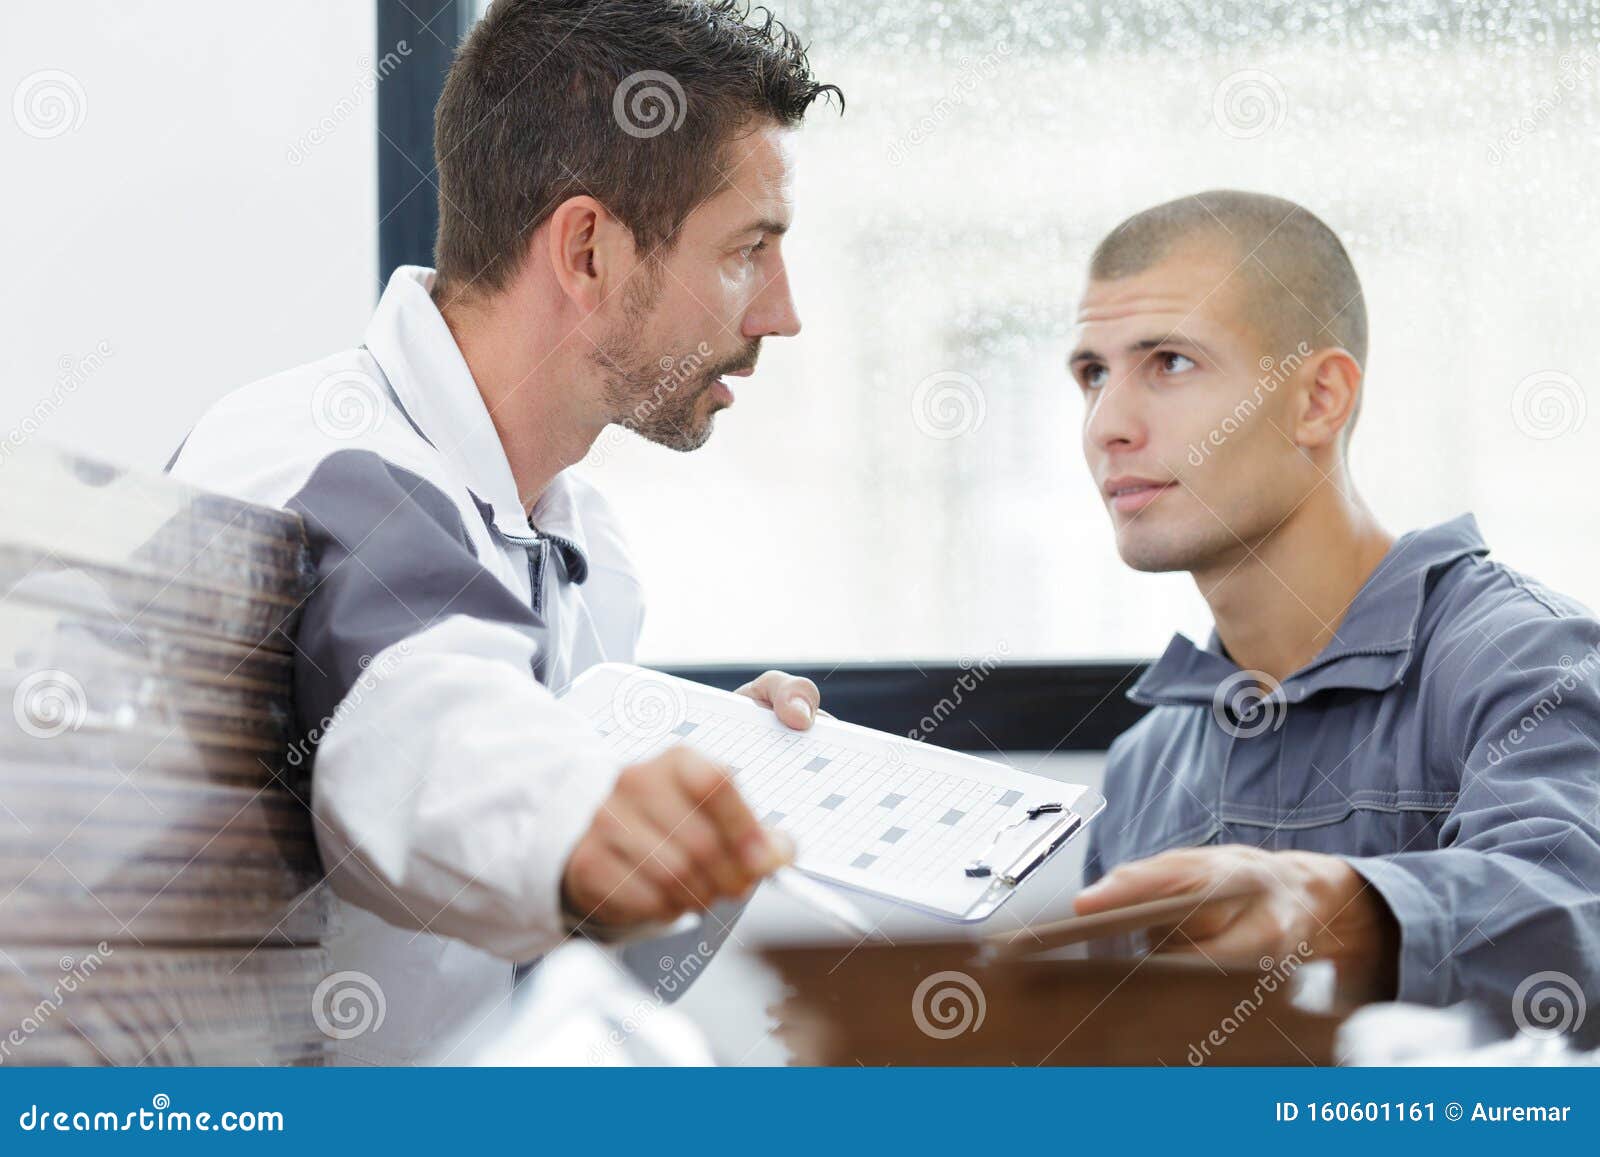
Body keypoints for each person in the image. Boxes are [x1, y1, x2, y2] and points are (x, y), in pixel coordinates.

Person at [167, 0, 841, 1063]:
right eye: (746, 252)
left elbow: (547, 958)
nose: (781, 314)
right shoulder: (308, 459)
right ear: (586, 250)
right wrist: (587, 809)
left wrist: (696, 798)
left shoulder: (585, 552)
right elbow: (426, 712)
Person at [1067, 190, 1600, 1025]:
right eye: (1091, 373)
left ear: (1318, 399)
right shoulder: (1145, 768)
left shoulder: (1528, 661)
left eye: (1169, 362)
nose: (1106, 423)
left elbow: (1576, 910)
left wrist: (1339, 906)